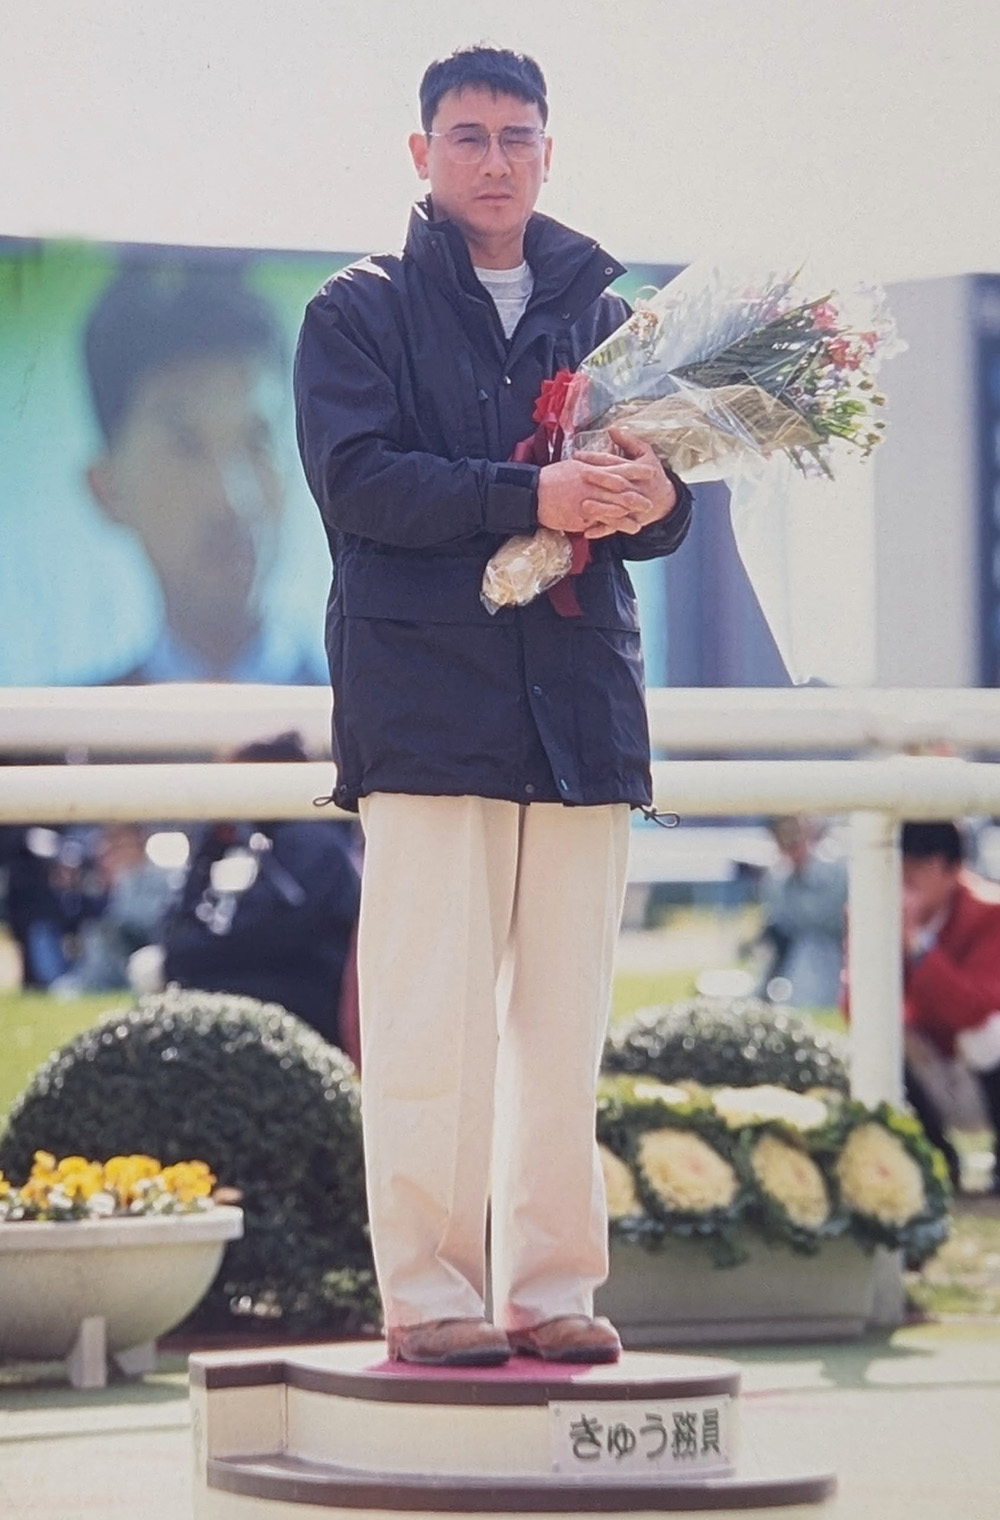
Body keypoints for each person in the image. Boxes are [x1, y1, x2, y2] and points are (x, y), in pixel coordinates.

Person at [294, 46, 692, 1367]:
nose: (496, 159)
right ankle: (432, 1294)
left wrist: (655, 498)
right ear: (422, 154)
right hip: (423, 703)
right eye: (468, 137)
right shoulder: (355, 312)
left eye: (518, 136)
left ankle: (553, 1288)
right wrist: (536, 498)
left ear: (549, 152)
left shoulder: (612, 314)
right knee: (431, 1020)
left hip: (580, 706)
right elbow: (362, 487)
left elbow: (661, 515)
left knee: (564, 1024)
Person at [83, 263, 325, 683]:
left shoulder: (379, 724)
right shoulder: (59, 740)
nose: (232, 501)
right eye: (186, 446)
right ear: (107, 488)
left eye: (258, 440)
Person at [161, 732, 361, 1058]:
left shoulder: (311, 841)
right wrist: (210, 849)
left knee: (191, 989)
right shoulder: (275, 842)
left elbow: (268, 932)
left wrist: (187, 957)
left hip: (314, 1005)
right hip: (297, 994)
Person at [901, 820, 1000, 1193]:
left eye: (919, 866)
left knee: (990, 1032)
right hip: (928, 1072)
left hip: (981, 1072)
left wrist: (919, 945)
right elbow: (854, 1009)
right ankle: (935, 1161)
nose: (906, 878)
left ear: (952, 869)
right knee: (881, 1040)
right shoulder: (879, 912)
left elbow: (972, 1006)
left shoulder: (991, 912)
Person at [757, 816, 848, 1008]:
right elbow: (781, 933)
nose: (791, 843)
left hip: (842, 957)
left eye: (795, 835)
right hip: (799, 964)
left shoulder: (839, 871)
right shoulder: (776, 882)